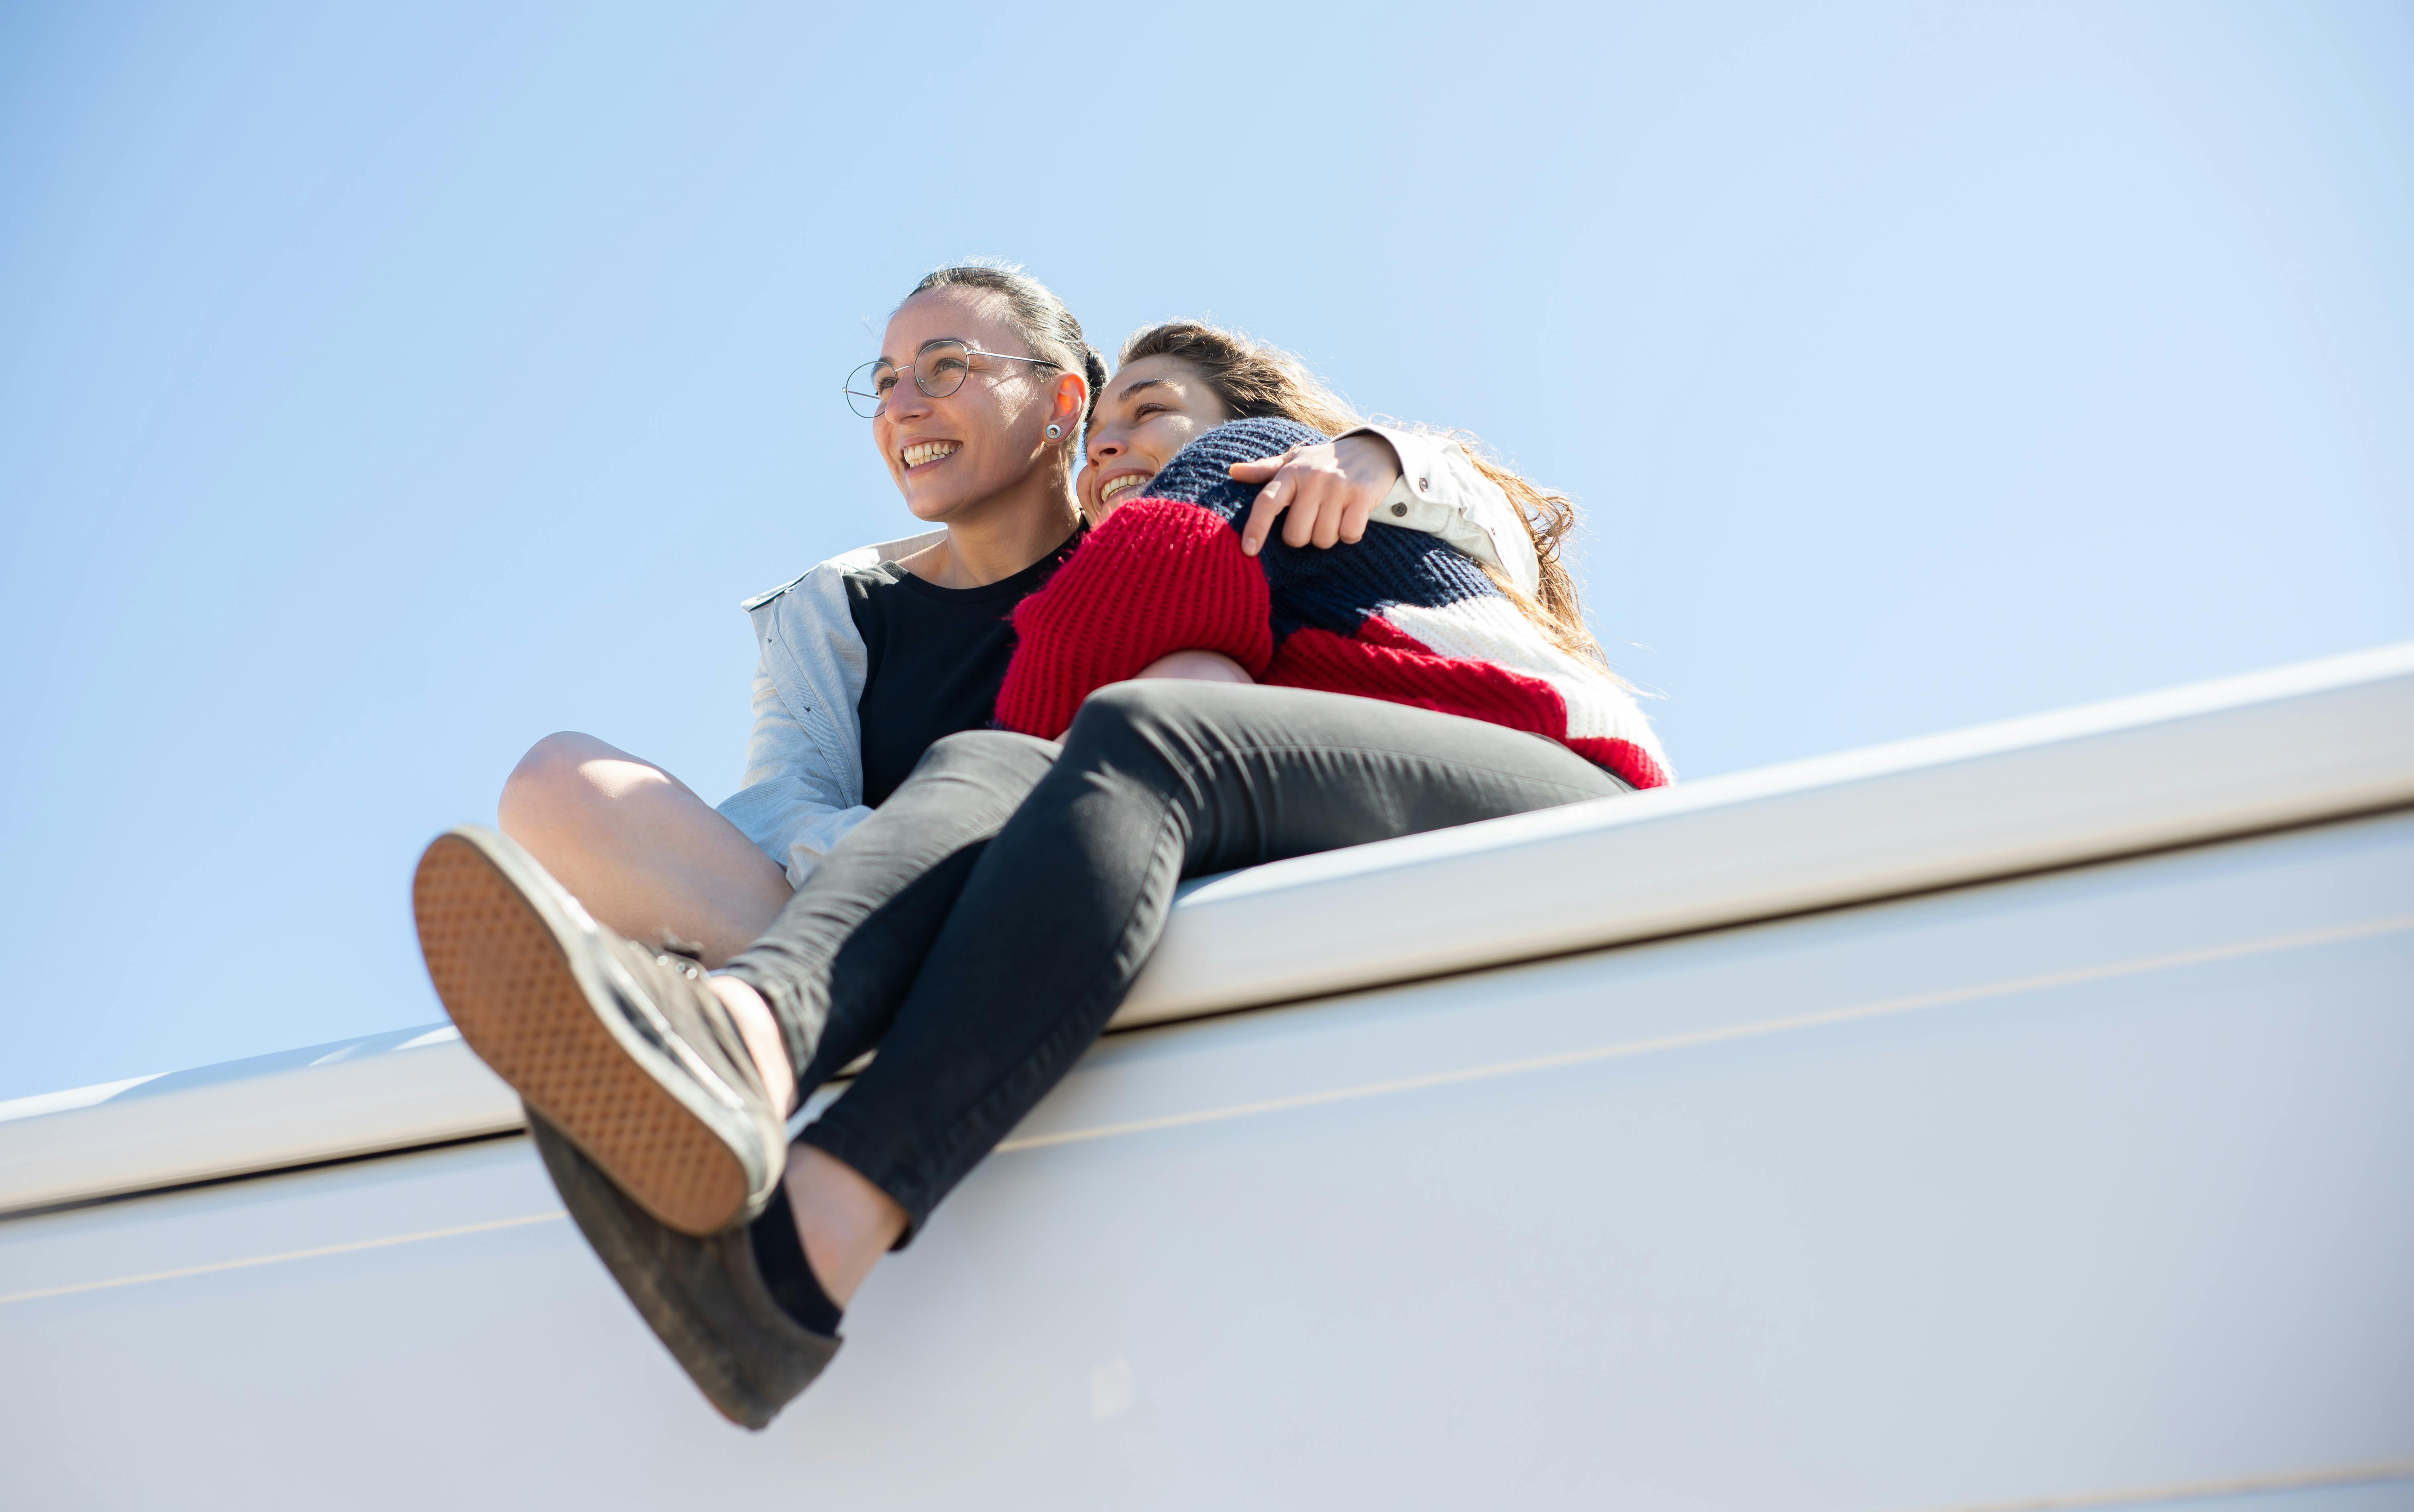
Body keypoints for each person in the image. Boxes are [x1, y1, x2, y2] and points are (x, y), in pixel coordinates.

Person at [413, 319, 1670, 1427]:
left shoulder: (1280, 474)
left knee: (1132, 728)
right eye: (1105, 425)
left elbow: (1094, 645)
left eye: (1151, 409)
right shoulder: (1218, 611)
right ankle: (765, 1142)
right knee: (1009, 759)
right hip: (1335, 807)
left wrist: (1369, 454)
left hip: (1547, 782)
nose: (1115, 445)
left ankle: (775, 1096)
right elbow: (1041, 740)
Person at [490, 265, 1536, 969]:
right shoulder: (833, 612)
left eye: (948, 369)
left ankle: (782, 1014)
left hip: (1108, 928)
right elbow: (777, 813)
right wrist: (935, 865)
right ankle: (822, 1008)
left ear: (1062, 403)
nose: (904, 406)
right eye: (889, 380)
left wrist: (1376, 452)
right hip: (878, 937)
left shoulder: (1163, 550)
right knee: (558, 784)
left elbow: (1471, 532)